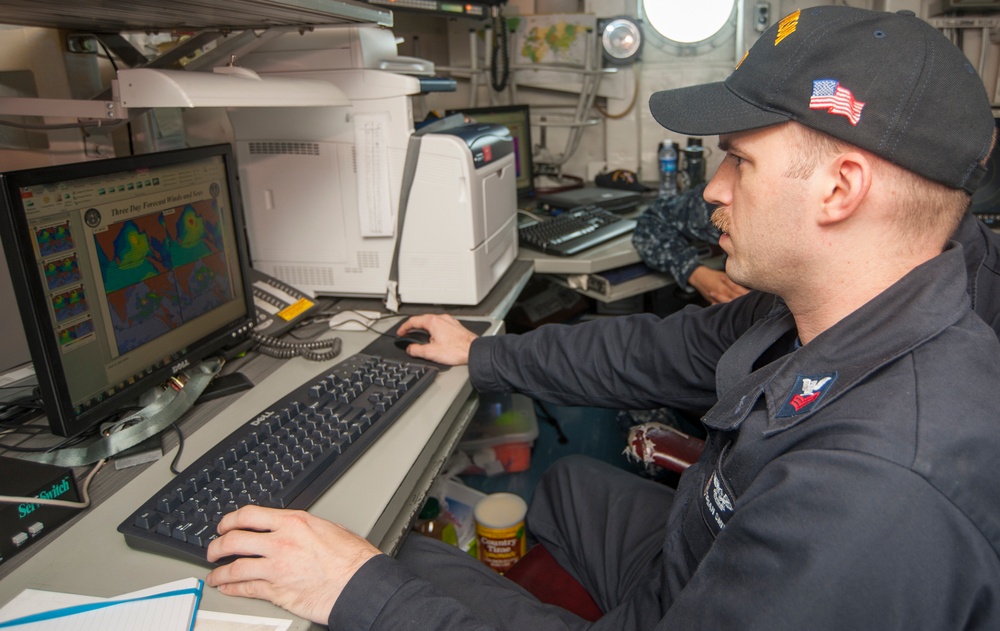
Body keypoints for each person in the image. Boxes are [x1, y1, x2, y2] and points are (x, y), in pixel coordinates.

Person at [205, 7, 1000, 630]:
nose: (714, 189)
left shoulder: (877, 493)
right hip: (692, 554)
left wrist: (360, 590)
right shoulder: (834, 304)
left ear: (841, 190)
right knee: (569, 483)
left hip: (694, 600)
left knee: (393, 559)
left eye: (740, 160)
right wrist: (483, 355)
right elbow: (651, 348)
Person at [632, 182, 750, 304]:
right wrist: (695, 272)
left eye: (744, 164)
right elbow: (652, 220)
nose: (711, 192)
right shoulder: (726, 200)